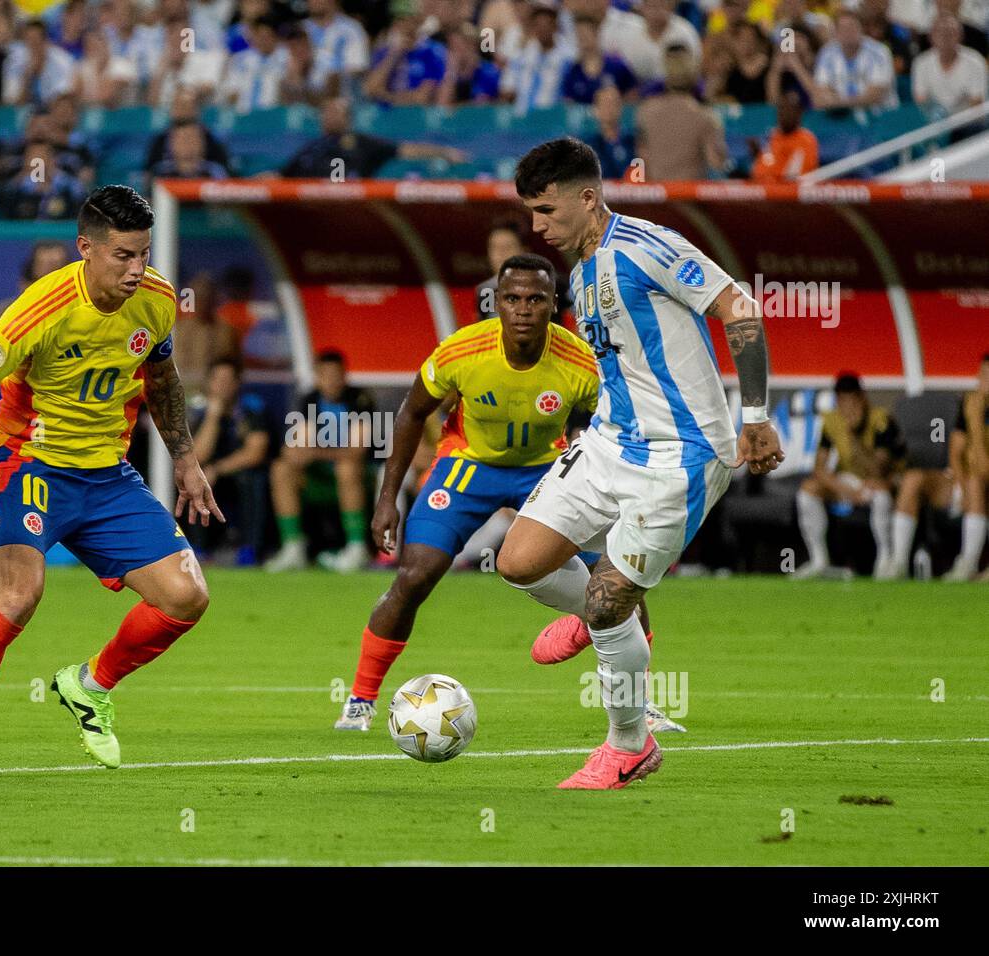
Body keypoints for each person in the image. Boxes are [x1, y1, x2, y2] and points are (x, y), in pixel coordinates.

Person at [497, 137, 783, 789]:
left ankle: (629, 745)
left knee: (607, 604)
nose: (536, 228)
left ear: (588, 198)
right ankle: (597, 613)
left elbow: (738, 308)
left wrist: (757, 416)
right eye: (530, 213)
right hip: (609, 443)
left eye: (545, 211)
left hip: (681, 454)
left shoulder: (645, 248)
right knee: (517, 562)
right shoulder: (578, 273)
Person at [0, 185, 221, 781]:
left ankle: (90, 685)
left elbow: (162, 379)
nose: (138, 270)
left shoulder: (156, 300)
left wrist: (185, 458)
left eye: (144, 255)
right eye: (123, 256)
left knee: (187, 598)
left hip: (107, 476)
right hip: (31, 466)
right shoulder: (41, 309)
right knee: (18, 595)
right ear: (86, 248)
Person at [334, 254, 600, 730]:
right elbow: (412, 412)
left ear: (555, 306)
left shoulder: (582, 364)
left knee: (612, 576)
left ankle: (637, 702)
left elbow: (616, 426)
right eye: (512, 299)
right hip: (467, 466)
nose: (522, 309)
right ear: (497, 303)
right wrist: (387, 498)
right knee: (415, 575)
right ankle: (360, 698)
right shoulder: (461, 351)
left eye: (535, 299)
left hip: (545, 469)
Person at [266, 350, 376, 572]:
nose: (332, 381)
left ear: (345, 376)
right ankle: (293, 547)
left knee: (346, 468)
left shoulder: (360, 400)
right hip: (318, 477)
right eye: (326, 375)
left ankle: (357, 548)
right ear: (317, 376)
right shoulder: (309, 400)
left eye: (337, 375)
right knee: (281, 469)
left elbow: (357, 451)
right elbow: (294, 448)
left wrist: (314, 453)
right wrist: (299, 453)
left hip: (357, 478)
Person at [795, 373, 903, 578]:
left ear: (862, 398)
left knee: (879, 492)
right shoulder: (831, 421)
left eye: (852, 401)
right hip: (850, 482)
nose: (847, 408)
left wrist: (853, 437)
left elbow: (878, 470)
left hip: (883, 481)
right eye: (842, 402)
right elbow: (819, 468)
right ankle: (819, 560)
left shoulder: (881, 420)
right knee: (809, 489)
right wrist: (844, 489)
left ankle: (886, 559)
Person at [188, 357, 270, 563]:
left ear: (237, 383)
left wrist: (218, 468)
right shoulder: (199, 411)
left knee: (252, 479)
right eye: (217, 380)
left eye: (228, 379)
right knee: (195, 479)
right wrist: (213, 416)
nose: (223, 385)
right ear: (209, 383)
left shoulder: (252, 409)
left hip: (243, 474)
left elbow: (255, 454)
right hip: (213, 477)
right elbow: (198, 456)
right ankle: (199, 549)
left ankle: (251, 549)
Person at [279, 96, 466, 178]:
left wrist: (444, 152)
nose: (329, 116)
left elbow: (403, 150)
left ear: (348, 118)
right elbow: (283, 174)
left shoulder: (362, 142)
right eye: (326, 112)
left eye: (336, 111)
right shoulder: (313, 148)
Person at [635, 44, 728, 180]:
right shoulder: (704, 116)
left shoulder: (646, 111)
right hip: (687, 198)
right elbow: (716, 163)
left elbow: (642, 158)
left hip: (657, 197)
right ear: (693, 76)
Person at [944, 353, 989, 581]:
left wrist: (976, 420)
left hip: (982, 477)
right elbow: (956, 451)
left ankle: (969, 561)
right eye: (984, 376)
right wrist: (962, 488)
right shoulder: (970, 403)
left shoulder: (975, 409)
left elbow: (982, 462)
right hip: (975, 483)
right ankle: (968, 563)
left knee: (977, 481)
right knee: (974, 483)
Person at [813, 9, 899, 111]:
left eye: (852, 27)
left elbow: (875, 95)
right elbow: (822, 92)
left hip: (880, 114)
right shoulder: (826, 53)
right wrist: (831, 101)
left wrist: (837, 102)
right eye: (843, 28)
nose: (848, 32)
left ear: (861, 29)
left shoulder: (879, 52)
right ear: (835, 32)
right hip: (841, 117)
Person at [911, 14, 988, 113]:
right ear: (931, 36)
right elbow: (921, 101)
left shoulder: (975, 61)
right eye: (940, 32)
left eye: (951, 32)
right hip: (934, 121)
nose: (945, 37)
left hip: (968, 122)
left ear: (961, 36)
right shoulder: (920, 63)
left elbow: (976, 103)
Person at [749, 88, 819, 182]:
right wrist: (757, 155)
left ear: (799, 113)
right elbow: (764, 166)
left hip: (782, 194)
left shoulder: (805, 139)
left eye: (790, 109)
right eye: (781, 108)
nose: (784, 113)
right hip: (757, 190)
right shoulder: (772, 135)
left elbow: (794, 179)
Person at [475, 218, 527, 322]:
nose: (501, 253)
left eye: (508, 247)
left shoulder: (541, 287)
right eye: (495, 247)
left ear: (523, 251)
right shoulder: (486, 290)